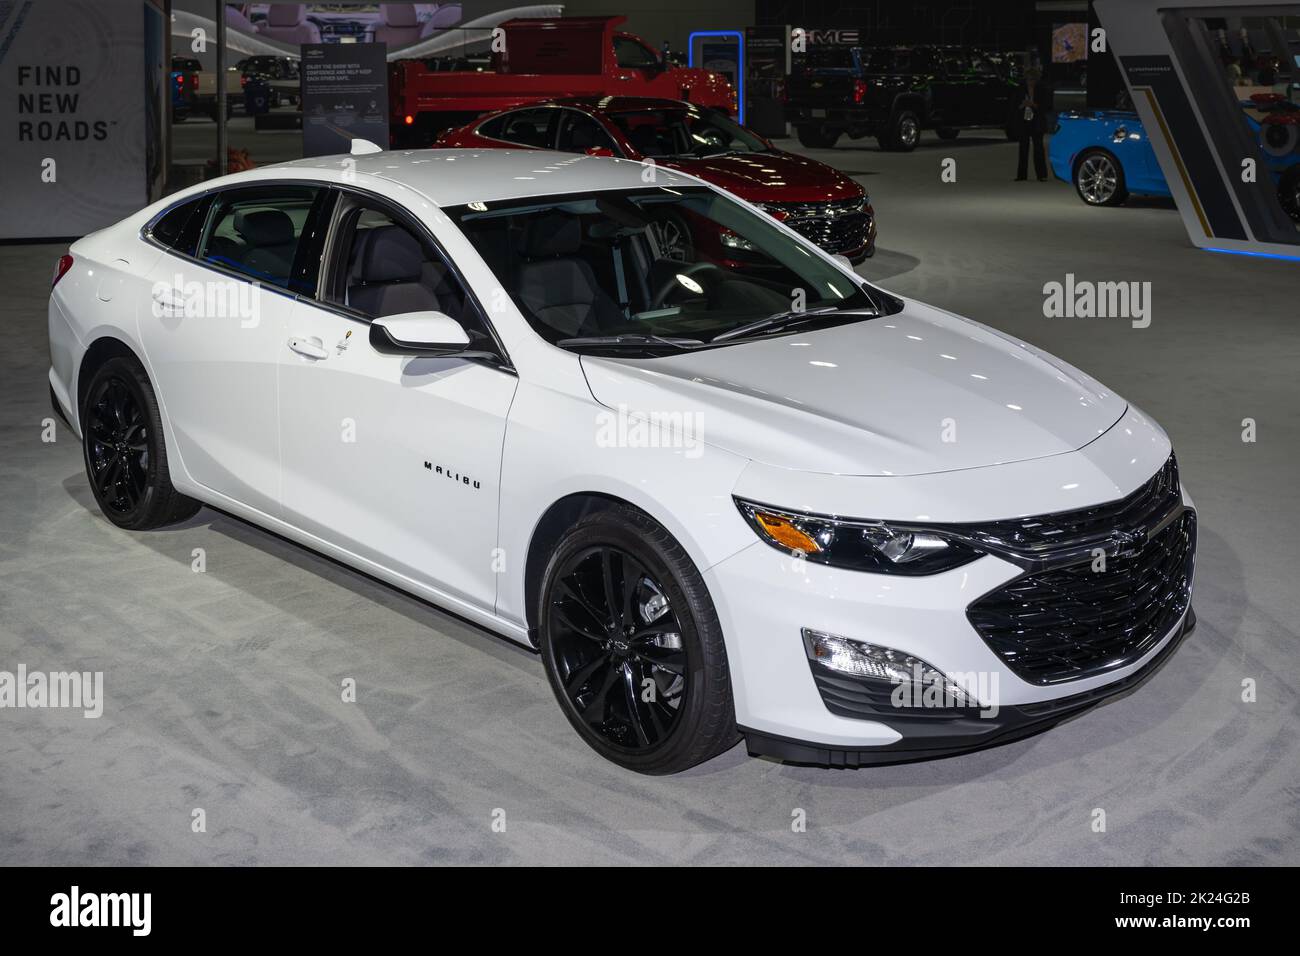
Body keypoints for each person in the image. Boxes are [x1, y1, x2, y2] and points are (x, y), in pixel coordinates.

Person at [1014, 62, 1052, 182]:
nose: (1030, 82)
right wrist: (1022, 105)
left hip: (1037, 121)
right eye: (1028, 79)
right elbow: (1013, 105)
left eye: (1033, 79)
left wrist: (1034, 105)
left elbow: (1047, 107)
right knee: (1023, 148)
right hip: (1024, 120)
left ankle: (1041, 175)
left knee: (1038, 148)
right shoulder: (1020, 88)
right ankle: (1021, 175)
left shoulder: (1042, 89)